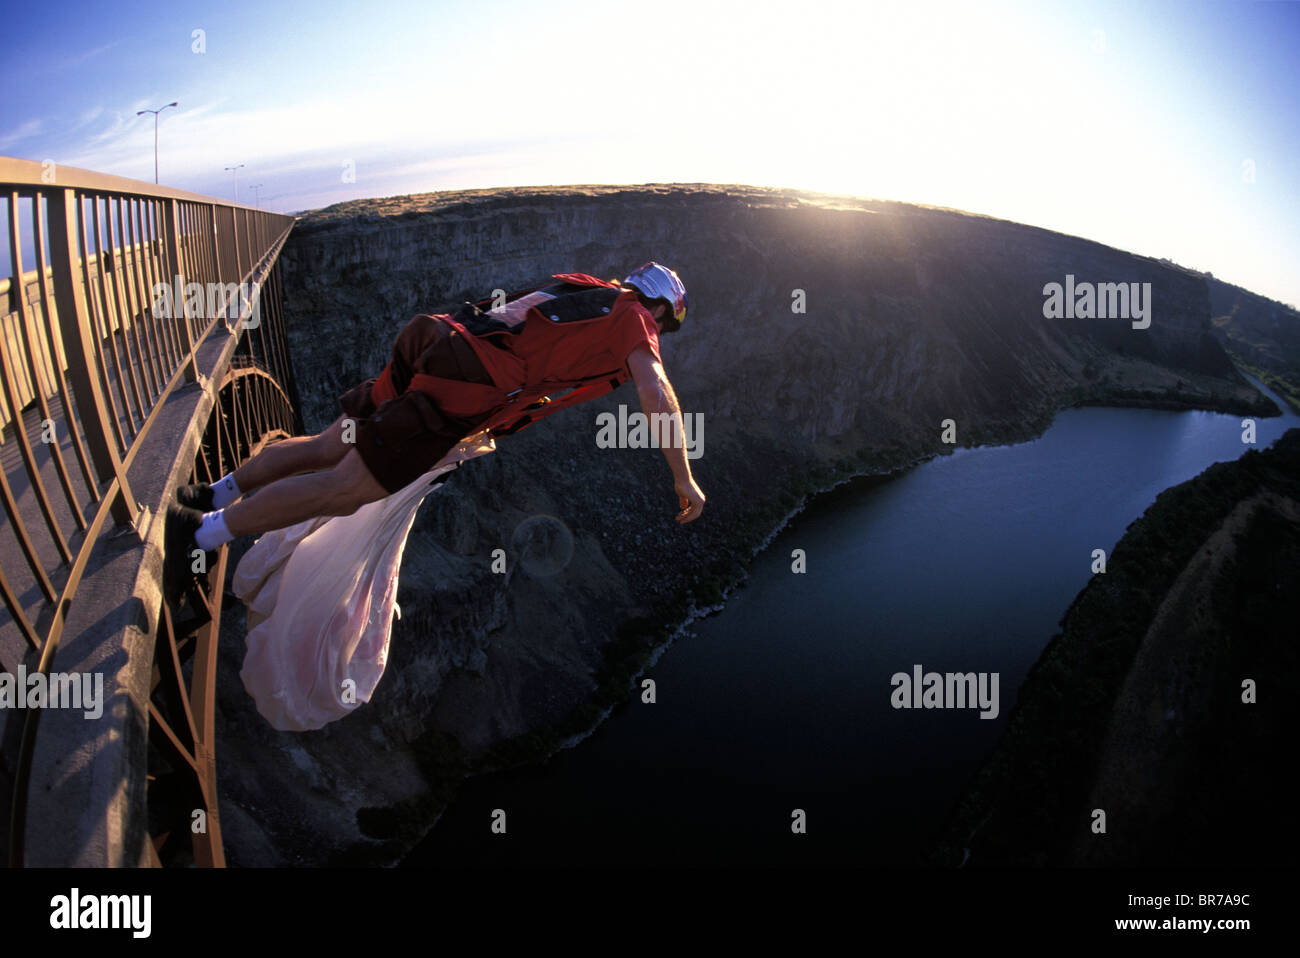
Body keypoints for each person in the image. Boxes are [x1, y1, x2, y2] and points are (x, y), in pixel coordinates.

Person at [163, 262, 705, 602]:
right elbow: (656, 393)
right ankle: (202, 532)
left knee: (331, 446)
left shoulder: (582, 287)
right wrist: (684, 477)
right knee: (346, 489)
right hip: (457, 387)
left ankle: (212, 492)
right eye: (666, 323)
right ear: (660, 307)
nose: (659, 334)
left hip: (434, 340)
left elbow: (515, 317)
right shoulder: (635, 320)